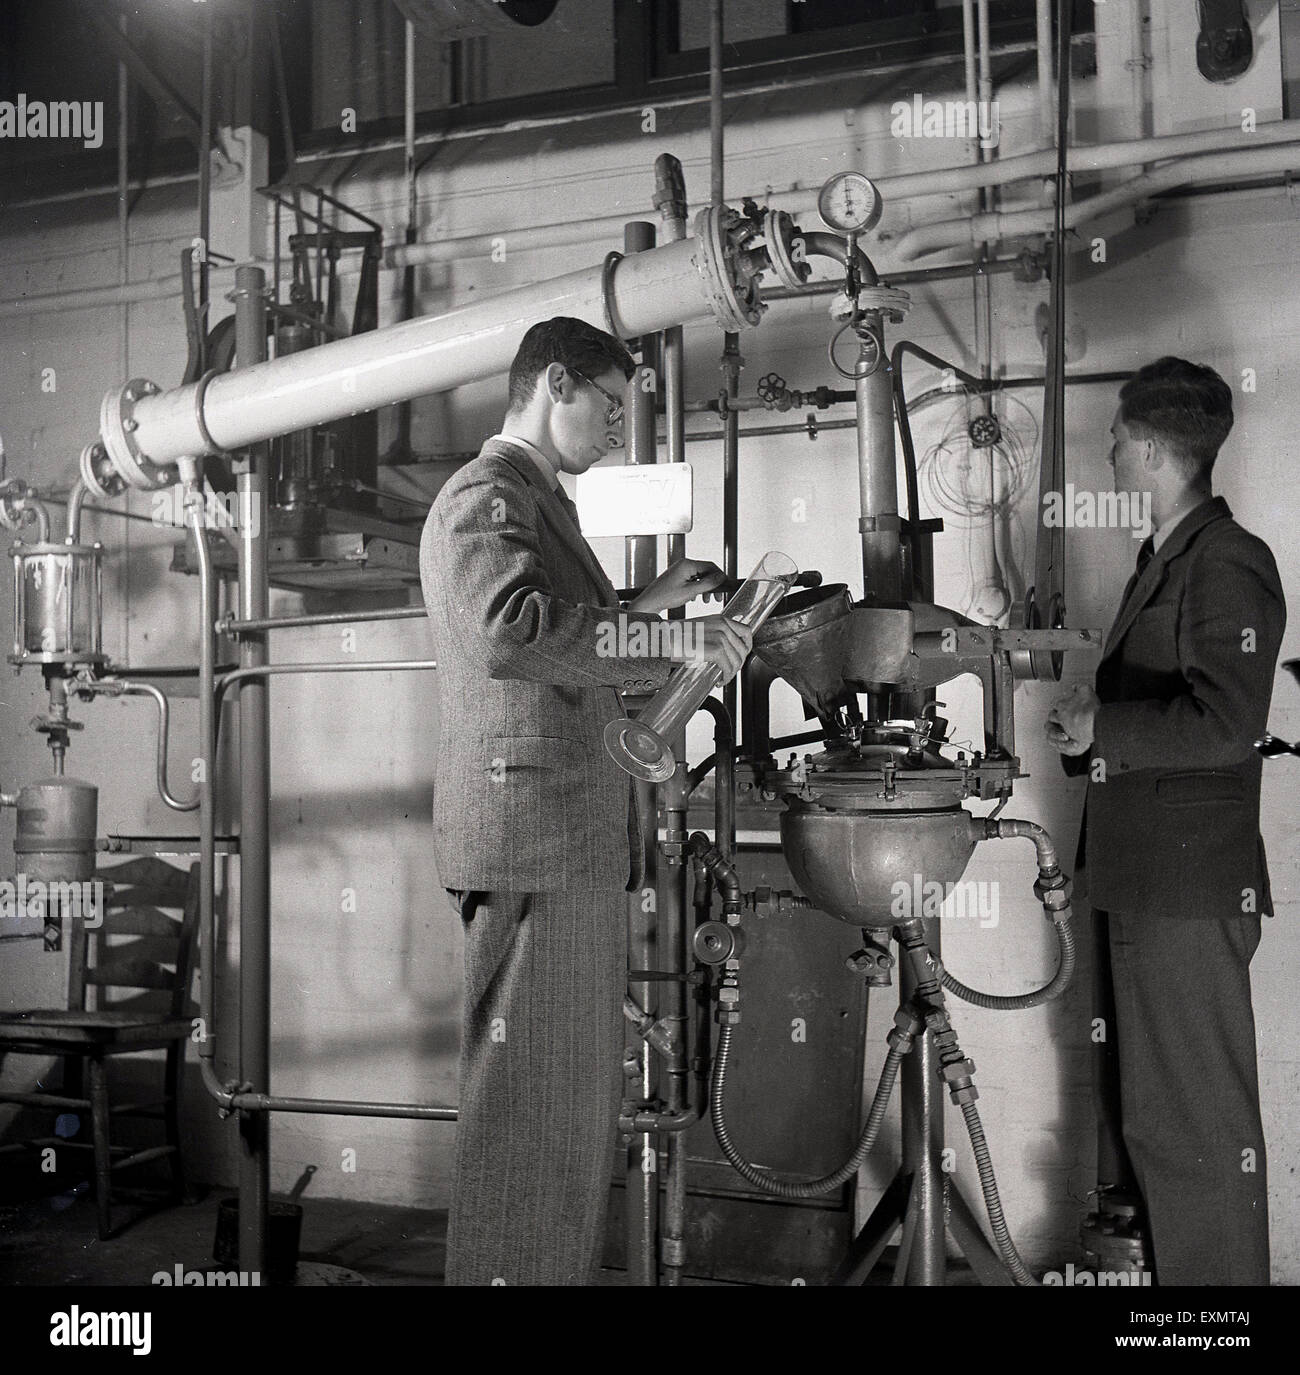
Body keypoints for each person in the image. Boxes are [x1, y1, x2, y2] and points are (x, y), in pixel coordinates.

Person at [419, 316, 752, 1285]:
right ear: (554, 383)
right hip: (534, 845)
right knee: (533, 1119)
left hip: (560, 844)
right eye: (608, 406)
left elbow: (569, 644)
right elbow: (509, 631)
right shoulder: (486, 492)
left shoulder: (538, 502)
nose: (617, 427)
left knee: (558, 1117)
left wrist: (652, 609)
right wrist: (667, 643)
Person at [1045, 357, 1286, 1286]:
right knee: (1146, 1121)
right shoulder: (1165, 559)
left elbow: (1228, 721)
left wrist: (1103, 723)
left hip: (1186, 890)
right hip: (1144, 880)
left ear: (1150, 448)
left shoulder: (1229, 560)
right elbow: (1161, 720)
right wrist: (1085, 733)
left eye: (1115, 437)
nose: (1107, 451)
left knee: (1197, 1132)